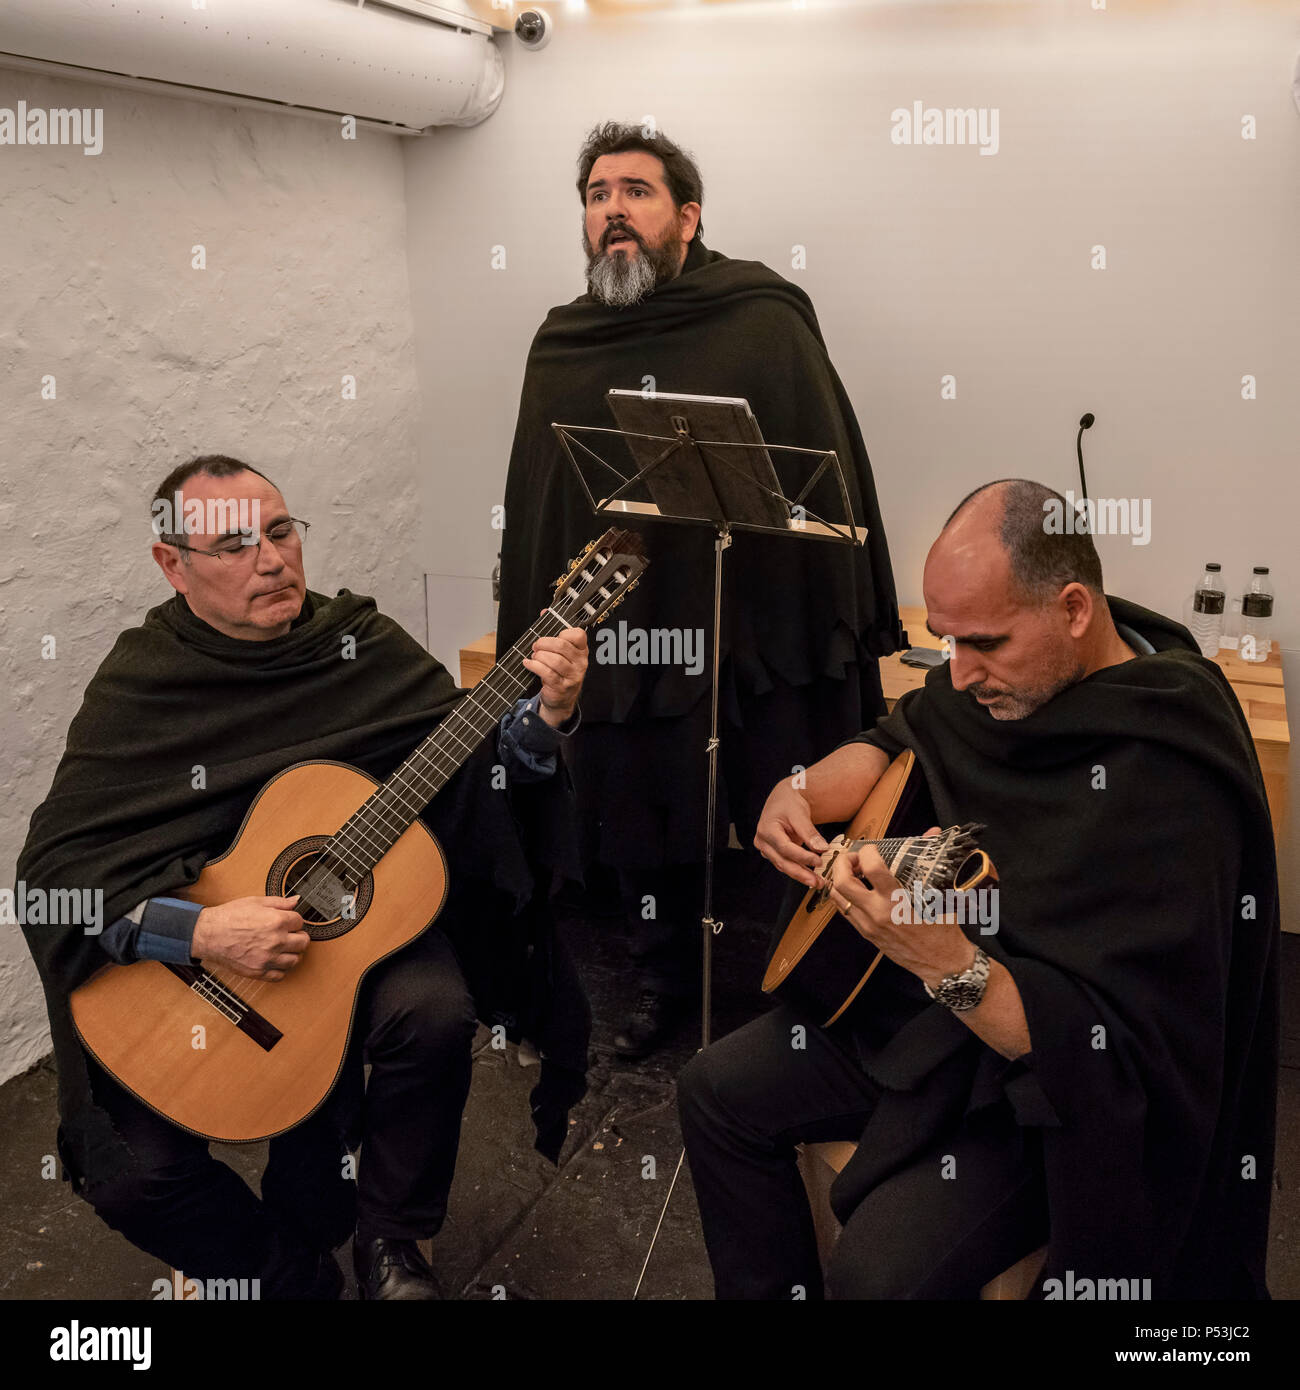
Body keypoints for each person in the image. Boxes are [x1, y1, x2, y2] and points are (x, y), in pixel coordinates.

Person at [678, 478, 1278, 1300]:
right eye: (945, 640)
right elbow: (907, 730)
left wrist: (947, 962)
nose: (957, 673)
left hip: (1046, 1092)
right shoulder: (1000, 680)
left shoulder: (1171, 769)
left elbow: (1125, 1054)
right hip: (930, 1023)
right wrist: (800, 789)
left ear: (1074, 609)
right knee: (714, 1091)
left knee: (880, 1273)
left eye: (982, 645)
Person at [17, 454, 590, 1300]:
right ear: (171, 565)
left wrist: (545, 718)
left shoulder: (358, 645)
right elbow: (55, 878)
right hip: (178, 973)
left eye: (281, 532)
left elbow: (469, 775)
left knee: (434, 1014)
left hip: (348, 932)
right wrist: (202, 929)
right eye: (235, 545)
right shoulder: (145, 682)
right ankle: (280, 1271)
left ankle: (392, 1238)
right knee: (130, 1175)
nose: (273, 560)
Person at [497, 121, 904, 1058]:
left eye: (634, 192)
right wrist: (546, 626)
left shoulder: (761, 313)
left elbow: (824, 462)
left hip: (761, 615)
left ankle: (808, 980)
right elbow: (541, 500)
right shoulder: (564, 340)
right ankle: (660, 977)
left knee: (784, 794)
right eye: (597, 196)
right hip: (630, 623)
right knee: (641, 806)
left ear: (687, 213)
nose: (613, 212)